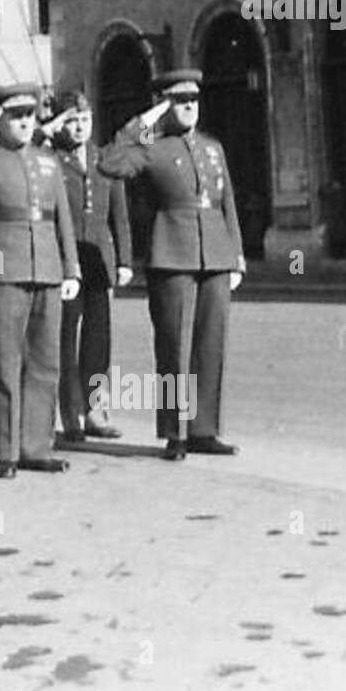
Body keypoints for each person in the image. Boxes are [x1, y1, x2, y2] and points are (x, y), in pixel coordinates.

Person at [98, 68, 245, 460]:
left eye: (193, 101)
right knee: (174, 345)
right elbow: (110, 164)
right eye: (180, 102)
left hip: (215, 251)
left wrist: (237, 255)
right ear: (165, 105)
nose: (189, 108)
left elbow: (227, 201)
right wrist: (142, 122)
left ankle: (204, 429)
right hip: (172, 252)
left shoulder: (213, 147)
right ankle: (175, 432)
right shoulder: (152, 146)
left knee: (210, 345)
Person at [0, 83, 81, 478]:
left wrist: (71, 267)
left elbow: (63, 219)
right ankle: (6, 451)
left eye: (30, 115)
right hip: (1, 265)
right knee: (7, 361)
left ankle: (36, 446)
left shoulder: (47, 160)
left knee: (45, 362)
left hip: (46, 265)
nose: (25, 122)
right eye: (16, 115)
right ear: (0, 119)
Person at [39, 89, 132, 444]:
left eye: (86, 120)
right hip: (66, 262)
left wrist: (123, 259)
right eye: (73, 121)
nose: (80, 128)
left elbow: (119, 217)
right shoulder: (51, 159)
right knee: (65, 338)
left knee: (99, 339)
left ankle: (96, 410)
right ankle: (70, 414)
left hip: (99, 260)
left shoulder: (104, 159)